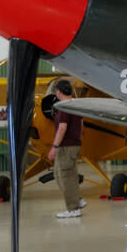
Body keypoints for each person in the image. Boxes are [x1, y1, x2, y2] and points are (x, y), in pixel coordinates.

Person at [49, 79, 86, 219]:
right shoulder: (75, 104)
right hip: (71, 145)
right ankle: (77, 200)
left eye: (56, 91)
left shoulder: (64, 106)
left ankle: (73, 209)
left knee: (67, 177)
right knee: (58, 175)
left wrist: (54, 147)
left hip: (66, 147)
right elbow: (82, 124)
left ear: (59, 92)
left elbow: (62, 128)